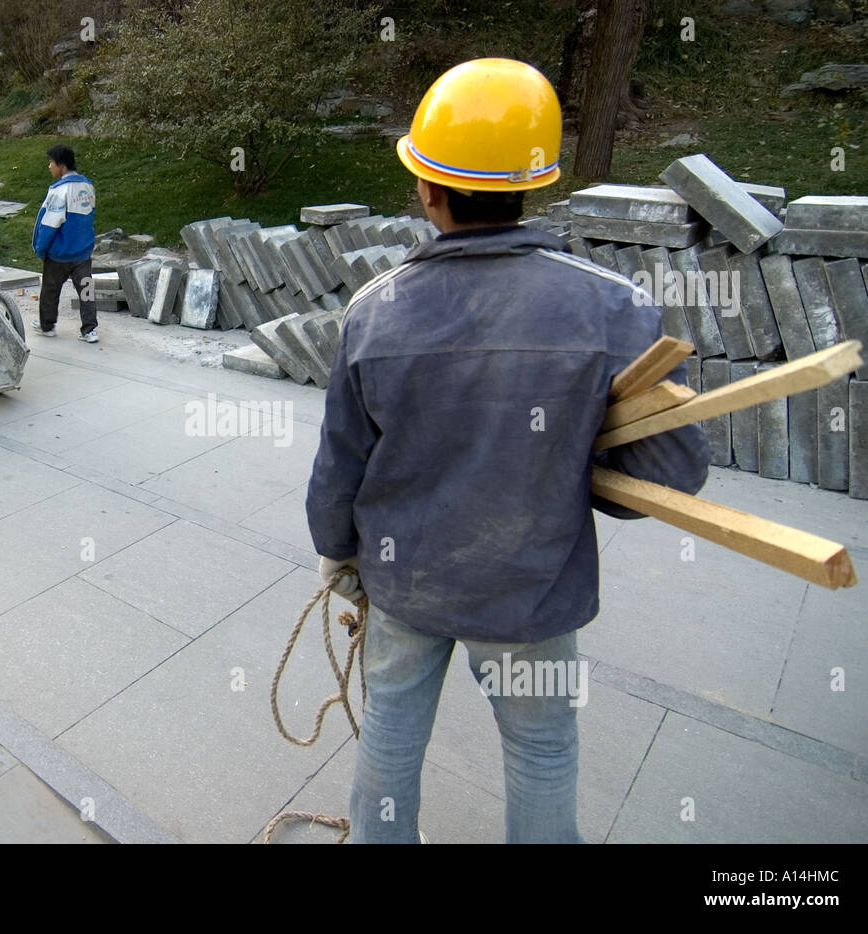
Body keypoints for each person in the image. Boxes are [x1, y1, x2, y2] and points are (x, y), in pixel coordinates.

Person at [304, 58, 711, 845]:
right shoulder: (614, 307)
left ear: (426, 188)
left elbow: (338, 469)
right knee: (543, 752)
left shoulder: (374, 313)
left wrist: (335, 554)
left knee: (390, 736)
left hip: (405, 582)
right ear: (538, 183)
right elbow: (671, 473)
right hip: (532, 592)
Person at [31, 144, 98, 343]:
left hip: (59, 255)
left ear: (61, 165)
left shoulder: (59, 191)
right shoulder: (88, 186)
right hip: (83, 253)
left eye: (51, 162)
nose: (49, 166)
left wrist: (41, 249)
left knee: (50, 291)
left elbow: (49, 224)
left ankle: (48, 326)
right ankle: (90, 330)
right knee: (87, 290)